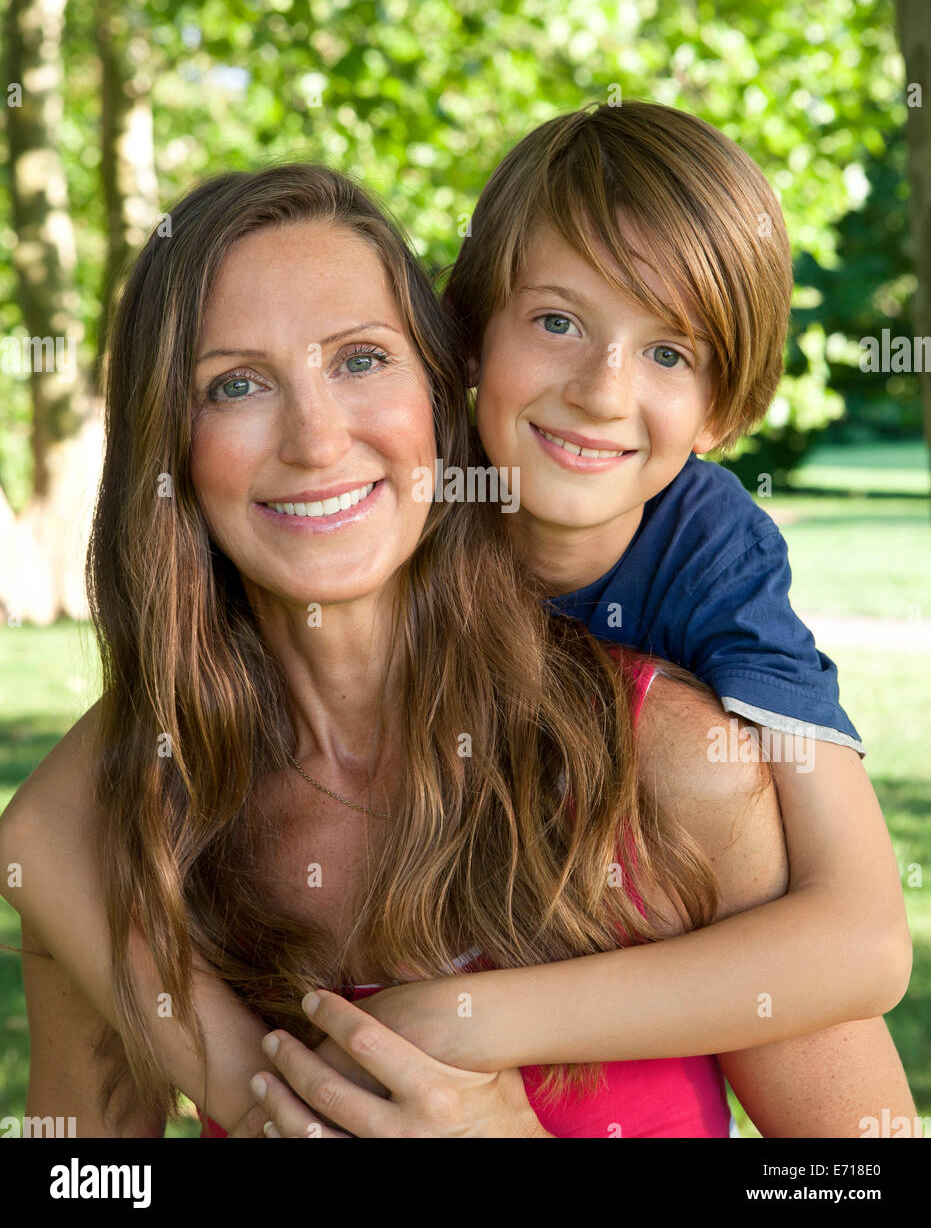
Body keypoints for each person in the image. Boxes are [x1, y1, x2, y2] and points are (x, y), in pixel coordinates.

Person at [0, 161, 914, 1139]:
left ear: (440, 393)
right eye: (236, 384)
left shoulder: (673, 770)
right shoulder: (132, 847)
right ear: (171, 454)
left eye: (358, 359)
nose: (316, 438)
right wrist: (246, 1089)